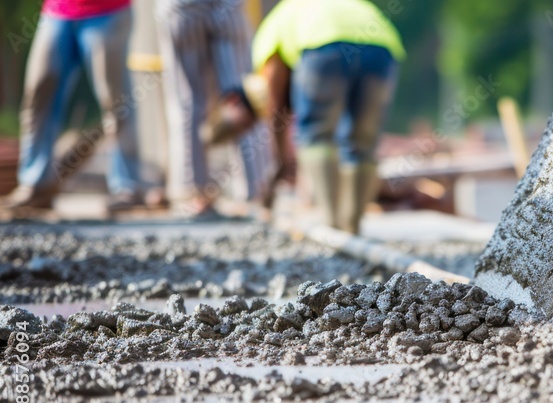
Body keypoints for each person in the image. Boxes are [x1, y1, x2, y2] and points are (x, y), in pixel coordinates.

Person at [250, 0, 405, 233]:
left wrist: (279, 160)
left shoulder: (274, 25)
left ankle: (332, 223)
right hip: (381, 47)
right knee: (363, 141)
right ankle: (352, 227)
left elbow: (274, 104)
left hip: (324, 45)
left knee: (316, 133)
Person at [4, 0, 148, 212]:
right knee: (38, 92)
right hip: (57, 11)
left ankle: (128, 186)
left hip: (107, 11)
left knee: (116, 100)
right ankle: (36, 184)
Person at [155, 0, 271, 218]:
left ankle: (192, 194)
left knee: (188, 100)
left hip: (183, 7)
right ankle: (254, 192)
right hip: (225, 6)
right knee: (240, 96)